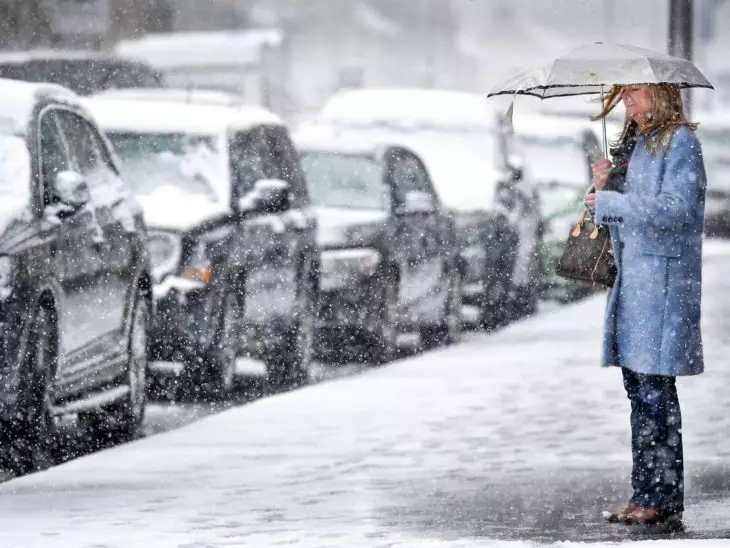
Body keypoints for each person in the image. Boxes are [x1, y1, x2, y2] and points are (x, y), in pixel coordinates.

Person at [584, 84, 706, 527]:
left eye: (635, 95)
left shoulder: (680, 143)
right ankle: (646, 493)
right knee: (639, 393)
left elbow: (676, 210)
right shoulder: (635, 145)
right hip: (637, 285)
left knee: (655, 394)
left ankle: (661, 496)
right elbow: (620, 212)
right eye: (625, 97)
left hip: (663, 286)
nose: (627, 104)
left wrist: (614, 201)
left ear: (661, 96)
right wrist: (600, 189)